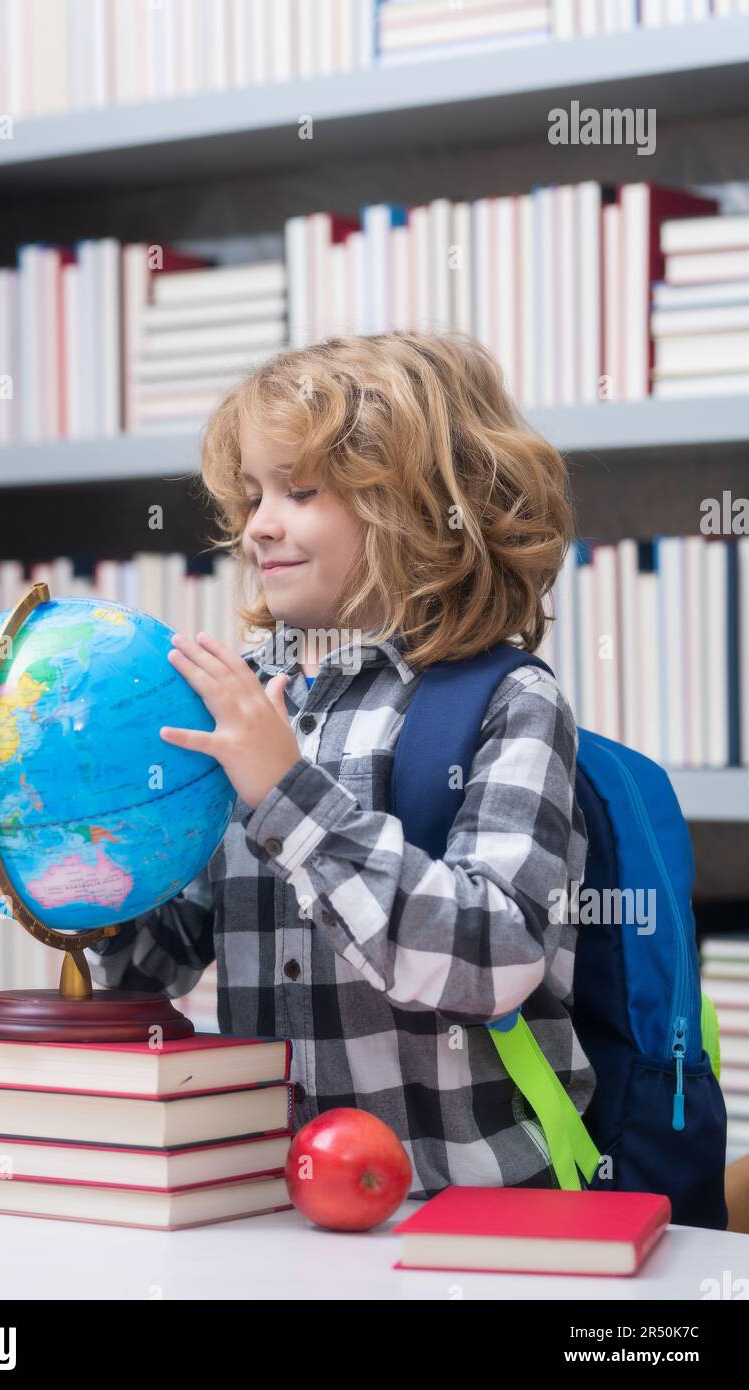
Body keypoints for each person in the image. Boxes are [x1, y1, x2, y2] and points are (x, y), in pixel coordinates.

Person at [85, 330, 596, 1201]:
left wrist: (286, 794)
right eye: (251, 495)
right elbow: (153, 968)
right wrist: (82, 870)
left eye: (301, 490)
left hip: (459, 1210)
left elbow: (497, 958)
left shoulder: (510, 701)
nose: (257, 526)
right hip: (270, 1207)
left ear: (426, 505)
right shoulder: (241, 703)